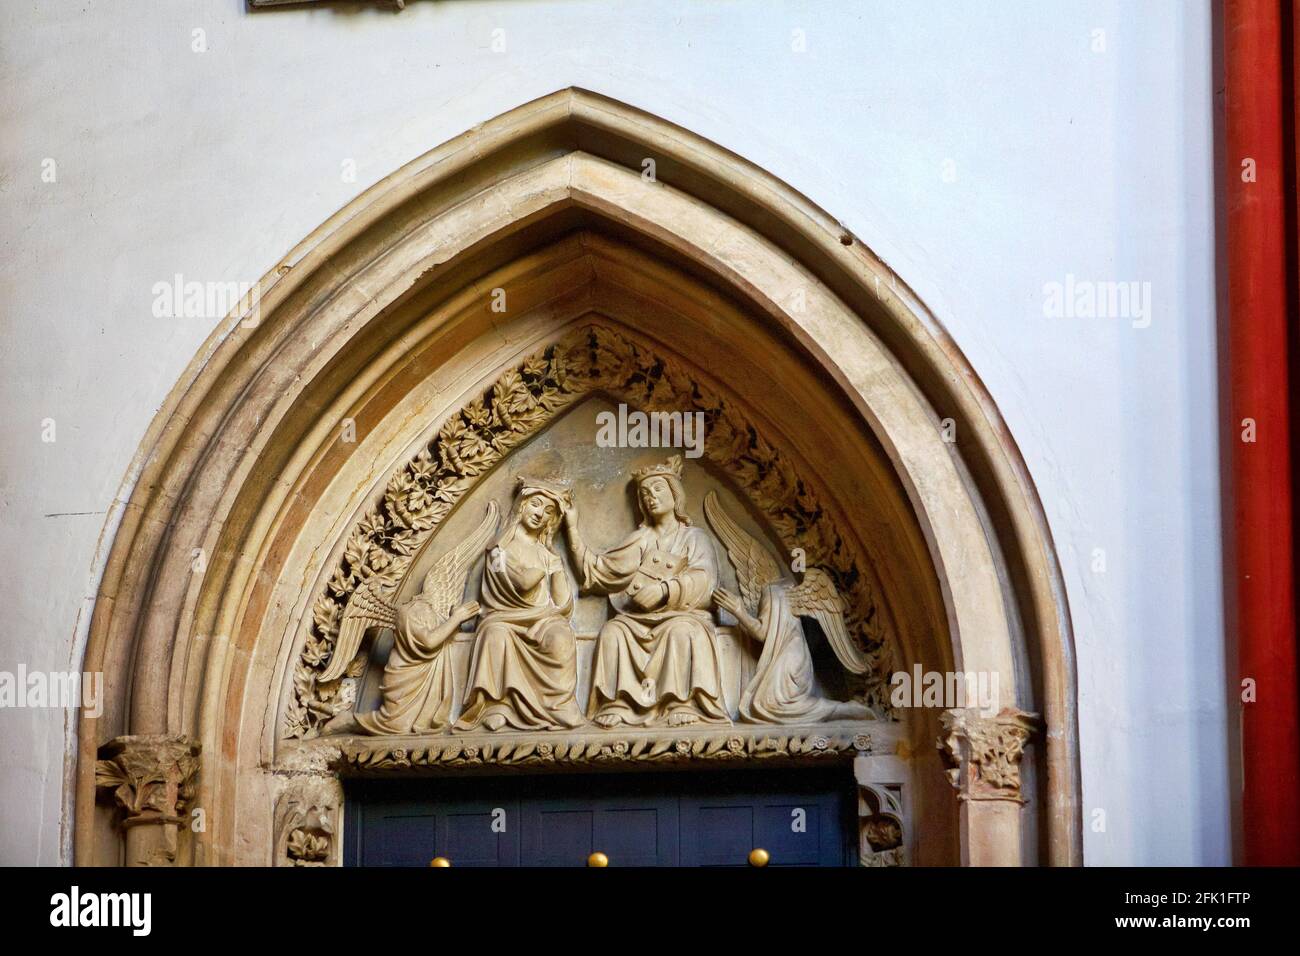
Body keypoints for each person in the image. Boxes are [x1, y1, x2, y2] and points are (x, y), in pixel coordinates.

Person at [564, 455, 728, 727]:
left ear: (675, 495)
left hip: (680, 616)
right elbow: (598, 571)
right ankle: (620, 702)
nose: (651, 497)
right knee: (614, 631)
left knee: (682, 631)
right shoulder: (641, 539)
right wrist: (571, 528)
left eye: (658, 489)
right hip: (638, 620)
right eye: (645, 493)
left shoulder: (693, 538)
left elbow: (706, 580)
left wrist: (665, 590)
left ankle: (681, 702)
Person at [454, 478, 585, 732]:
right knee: (495, 635)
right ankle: (496, 706)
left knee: (561, 636)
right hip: (503, 618)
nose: (540, 514)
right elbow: (517, 581)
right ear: (522, 506)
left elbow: (563, 604)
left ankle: (558, 707)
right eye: (535, 505)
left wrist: (556, 567)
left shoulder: (547, 554)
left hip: (543, 619)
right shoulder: (499, 548)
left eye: (548, 511)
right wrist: (534, 572)